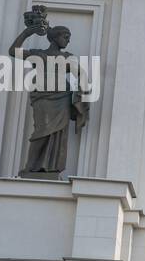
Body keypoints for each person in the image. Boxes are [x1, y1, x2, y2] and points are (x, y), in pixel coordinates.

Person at [6, 11, 88, 178]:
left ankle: (50, 168)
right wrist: (27, 32)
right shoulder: (39, 54)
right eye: (65, 36)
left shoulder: (68, 57)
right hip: (42, 97)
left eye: (69, 37)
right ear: (55, 37)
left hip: (62, 98)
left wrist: (82, 91)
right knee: (41, 130)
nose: (68, 40)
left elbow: (79, 73)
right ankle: (31, 167)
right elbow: (13, 51)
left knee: (57, 134)